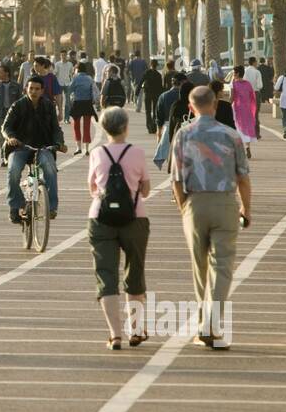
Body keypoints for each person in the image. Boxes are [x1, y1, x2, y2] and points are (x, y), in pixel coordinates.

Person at [170, 85, 251, 349]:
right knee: (222, 266)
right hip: (225, 203)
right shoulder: (231, 135)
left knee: (200, 266)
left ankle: (204, 323)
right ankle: (211, 325)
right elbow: (243, 178)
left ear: (191, 107)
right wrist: (245, 209)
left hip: (195, 203)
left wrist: (184, 207)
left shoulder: (182, 135)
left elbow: (176, 180)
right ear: (215, 104)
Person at [88, 107, 152, 351]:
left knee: (106, 275)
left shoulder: (97, 153)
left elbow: (92, 188)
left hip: (100, 218)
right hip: (135, 218)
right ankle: (136, 330)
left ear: (104, 128)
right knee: (134, 272)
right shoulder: (136, 152)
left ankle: (115, 335)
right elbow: (145, 190)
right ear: (126, 126)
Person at [3, 76, 66, 224]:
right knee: (13, 171)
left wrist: (59, 143)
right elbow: (6, 127)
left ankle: (51, 207)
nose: (34, 91)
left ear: (42, 91)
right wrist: (11, 137)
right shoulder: (17, 106)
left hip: (43, 148)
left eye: (37, 89)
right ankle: (15, 205)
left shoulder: (48, 106)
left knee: (50, 170)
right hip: (20, 148)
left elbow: (56, 129)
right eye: (31, 88)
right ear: (26, 89)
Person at [153, 74, 188, 170]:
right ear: (183, 82)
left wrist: (159, 134)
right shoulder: (188, 95)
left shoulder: (163, 96)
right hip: (186, 126)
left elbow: (159, 118)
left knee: (170, 155)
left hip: (167, 128)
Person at [0, 64, 23, 167]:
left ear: (7, 73)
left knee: (14, 135)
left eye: (1, 72)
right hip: (1, 114)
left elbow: (20, 101)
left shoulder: (16, 86)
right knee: (2, 137)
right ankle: (4, 157)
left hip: (14, 115)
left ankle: (14, 156)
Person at [68, 63, 101, 155]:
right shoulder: (90, 78)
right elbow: (96, 91)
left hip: (77, 104)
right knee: (87, 126)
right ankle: (87, 149)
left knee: (76, 126)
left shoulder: (75, 78)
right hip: (87, 104)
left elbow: (70, 89)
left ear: (77, 69)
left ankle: (78, 147)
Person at [231, 65, 258, 157]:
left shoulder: (233, 84)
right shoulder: (248, 84)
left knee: (238, 128)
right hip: (247, 109)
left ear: (237, 73)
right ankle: (247, 147)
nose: (233, 74)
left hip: (237, 109)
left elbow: (232, 98)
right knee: (246, 128)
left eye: (234, 73)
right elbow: (252, 98)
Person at [141, 60, 165, 134]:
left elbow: (141, 82)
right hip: (156, 95)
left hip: (148, 94)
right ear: (156, 65)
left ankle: (149, 126)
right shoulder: (158, 75)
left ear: (150, 64)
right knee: (155, 111)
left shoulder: (146, 73)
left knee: (148, 111)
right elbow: (161, 87)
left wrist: (137, 92)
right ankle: (154, 127)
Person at [244, 57, 263, 141]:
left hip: (246, 93)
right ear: (254, 62)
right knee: (255, 114)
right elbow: (260, 85)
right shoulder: (257, 72)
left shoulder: (245, 71)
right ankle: (256, 133)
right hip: (255, 93)